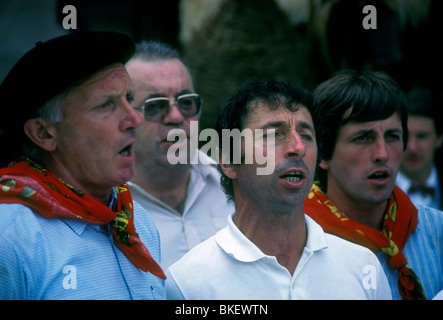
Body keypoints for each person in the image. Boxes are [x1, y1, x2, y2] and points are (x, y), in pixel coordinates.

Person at [166, 79, 392, 300]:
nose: (298, 148)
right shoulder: (188, 284)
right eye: (274, 135)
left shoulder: (363, 267)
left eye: (306, 135)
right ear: (228, 161)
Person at [0, 32, 166, 299]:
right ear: (44, 133)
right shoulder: (10, 237)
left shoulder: (137, 222)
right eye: (107, 105)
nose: (134, 118)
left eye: (129, 99)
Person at [304, 70, 443, 300]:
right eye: (363, 138)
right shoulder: (295, 246)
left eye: (392, 136)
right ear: (322, 154)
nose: (382, 154)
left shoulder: (436, 232)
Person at [125, 41, 234, 269]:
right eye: (155, 106)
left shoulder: (235, 186)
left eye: (186, 103)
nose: (175, 117)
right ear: (124, 117)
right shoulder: (108, 207)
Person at [396, 87, 443, 210]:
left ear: (439, 138)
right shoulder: (375, 192)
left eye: (422, 136)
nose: (412, 147)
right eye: (405, 135)